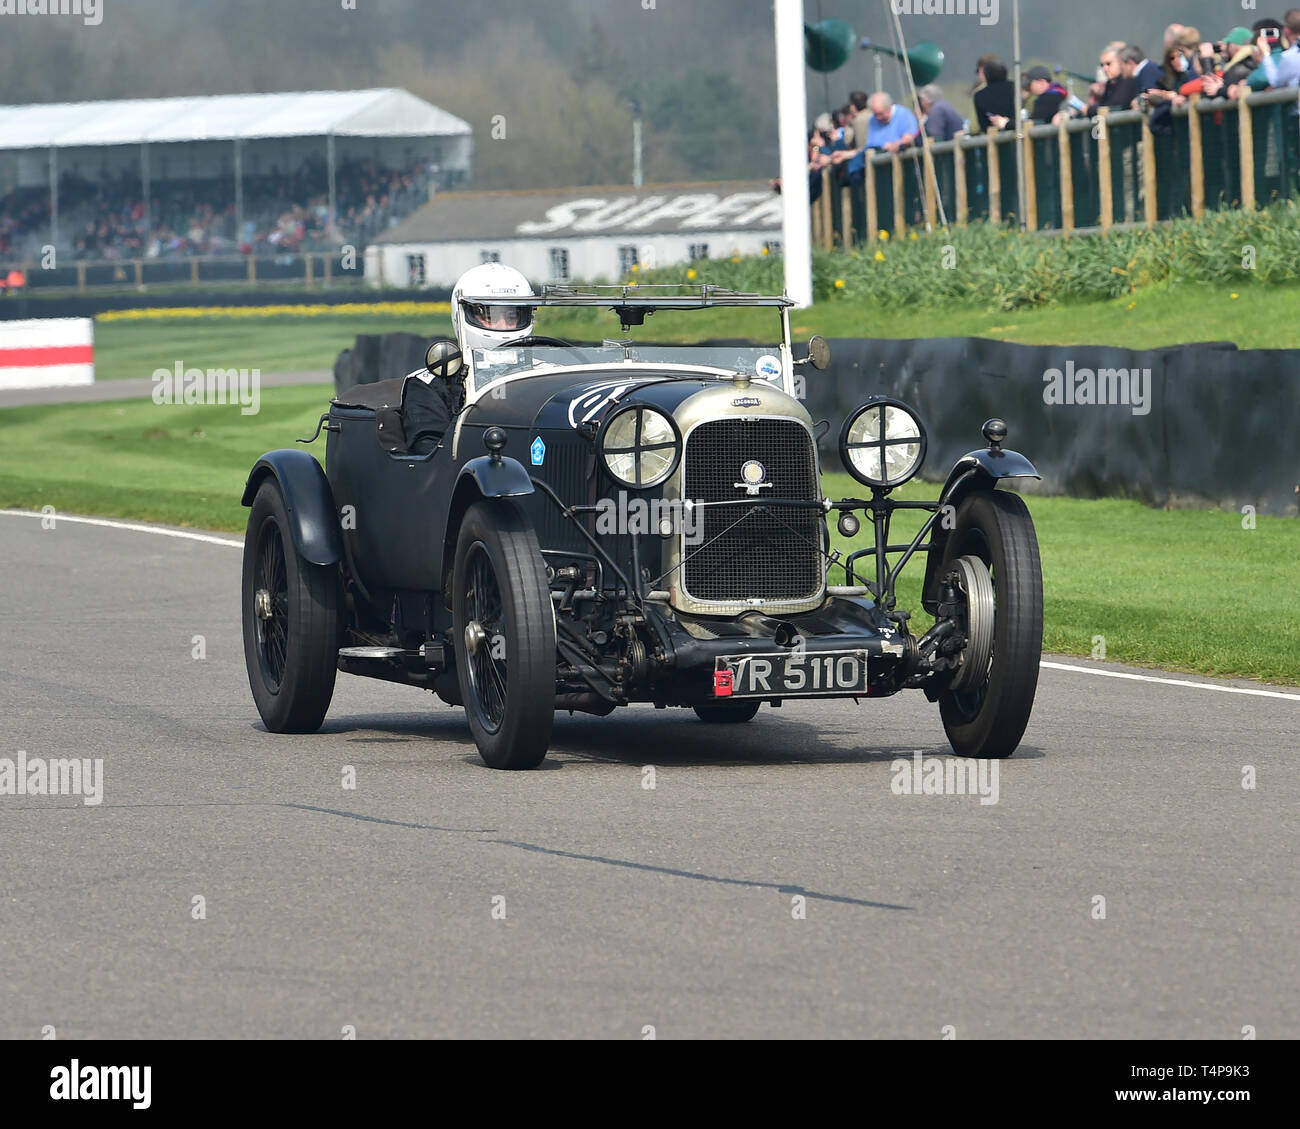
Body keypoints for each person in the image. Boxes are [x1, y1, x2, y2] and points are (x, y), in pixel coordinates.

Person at [401, 263, 537, 454]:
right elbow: (429, 450)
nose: (503, 325)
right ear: (463, 313)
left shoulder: (544, 373)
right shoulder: (431, 383)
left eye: (512, 316)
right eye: (489, 316)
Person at [972, 55, 1017, 133]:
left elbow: (982, 126)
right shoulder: (1016, 87)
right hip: (1018, 133)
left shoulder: (979, 96)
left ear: (986, 75)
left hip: (995, 136)